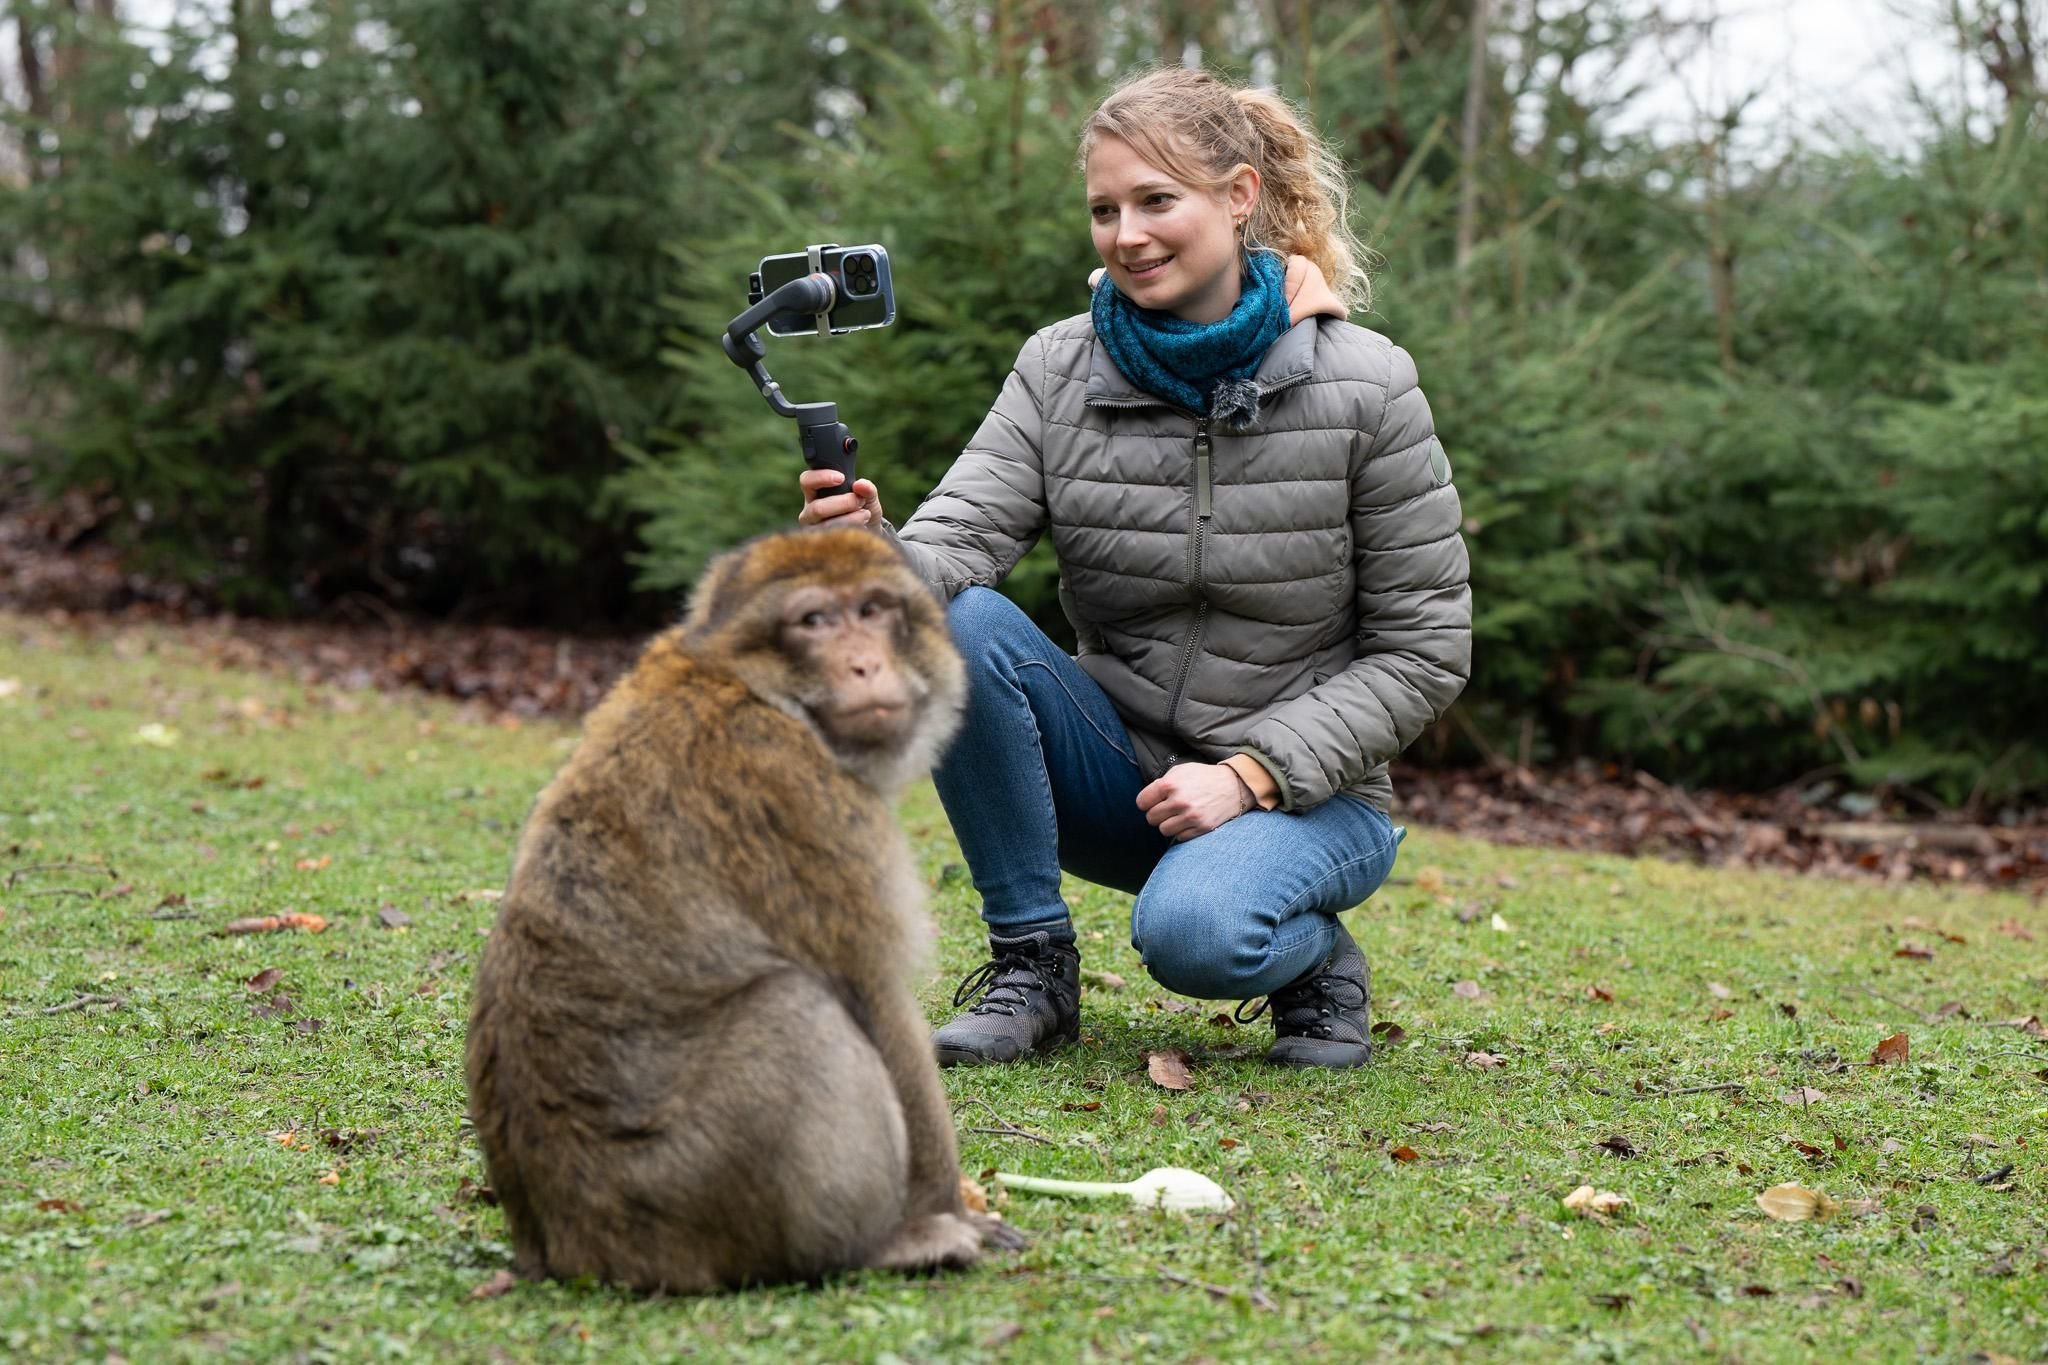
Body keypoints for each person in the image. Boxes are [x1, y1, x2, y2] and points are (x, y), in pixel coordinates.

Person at [798, 65, 1470, 1070]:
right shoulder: (1058, 366)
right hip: (1124, 778)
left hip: (1308, 796)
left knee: (1194, 938)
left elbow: (1423, 650)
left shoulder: (1366, 388)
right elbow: (953, 550)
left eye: (1157, 201)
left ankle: (1311, 961)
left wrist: (1249, 776)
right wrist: (868, 545)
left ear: (1238, 197)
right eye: (1104, 209)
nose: (1127, 234)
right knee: (960, 620)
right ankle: (1032, 968)